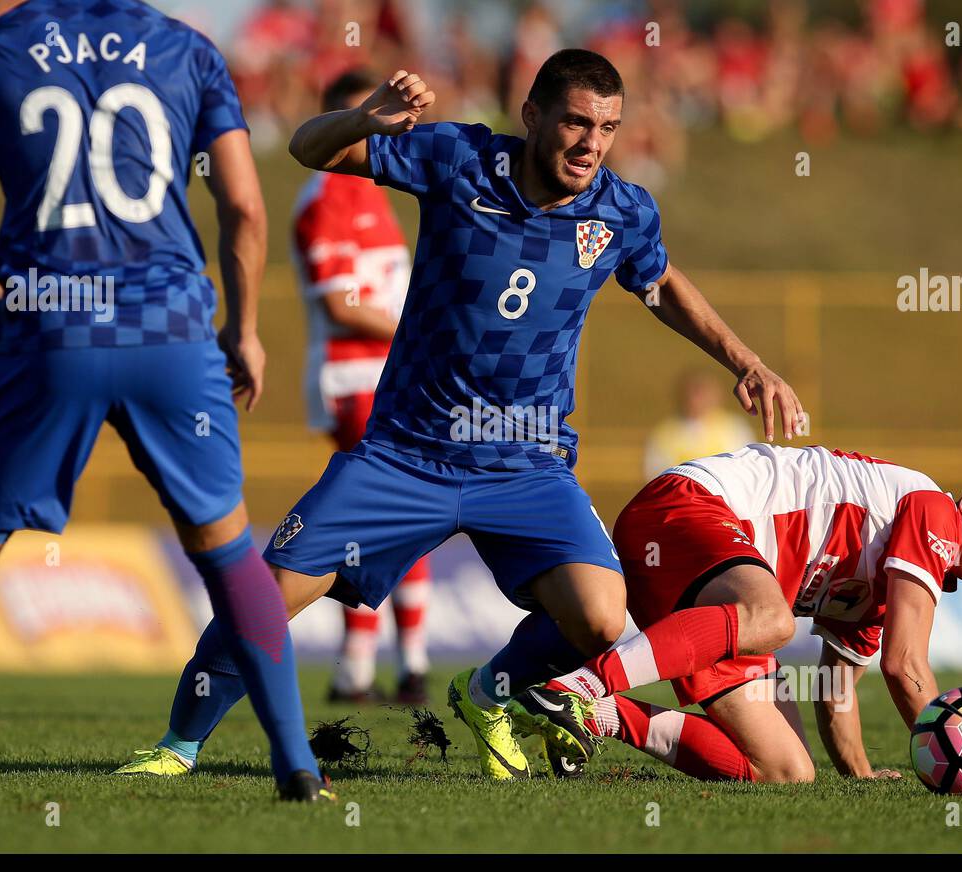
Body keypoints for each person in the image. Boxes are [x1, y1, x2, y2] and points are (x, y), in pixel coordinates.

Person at [119, 48, 802, 781]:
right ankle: (178, 746)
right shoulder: (457, 157)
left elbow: (659, 282)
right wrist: (360, 118)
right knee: (266, 599)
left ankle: (488, 693)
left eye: (607, 127)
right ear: (533, 115)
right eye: (575, 121)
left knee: (603, 618)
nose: (590, 143)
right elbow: (306, 148)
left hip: (526, 464)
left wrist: (745, 361)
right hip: (405, 456)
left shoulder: (621, 210)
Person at [0, 0, 325, 803]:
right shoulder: (190, 50)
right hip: (171, 333)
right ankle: (297, 767)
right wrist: (246, 329)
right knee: (230, 554)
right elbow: (244, 208)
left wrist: (1, 337)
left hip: (46, 326)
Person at [510, 447, 962, 783]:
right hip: (687, 506)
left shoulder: (885, 587)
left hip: (709, 586)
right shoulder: (931, 513)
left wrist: (860, 776)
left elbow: (835, 692)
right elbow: (905, 667)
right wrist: (961, 756)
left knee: (785, 772)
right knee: (773, 619)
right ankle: (575, 686)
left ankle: (598, 713)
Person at [292, 69, 431, 705]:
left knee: (411, 509)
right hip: (355, 374)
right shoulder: (322, 198)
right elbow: (341, 305)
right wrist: (418, 331)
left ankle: (409, 663)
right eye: (360, 114)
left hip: (392, 373)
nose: (375, 123)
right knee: (374, 511)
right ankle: (356, 667)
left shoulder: (374, 191)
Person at [642, 369, 753, 480]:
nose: (697, 400)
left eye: (702, 393)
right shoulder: (665, 433)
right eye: (694, 393)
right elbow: (655, 475)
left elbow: (745, 469)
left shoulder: (733, 427)